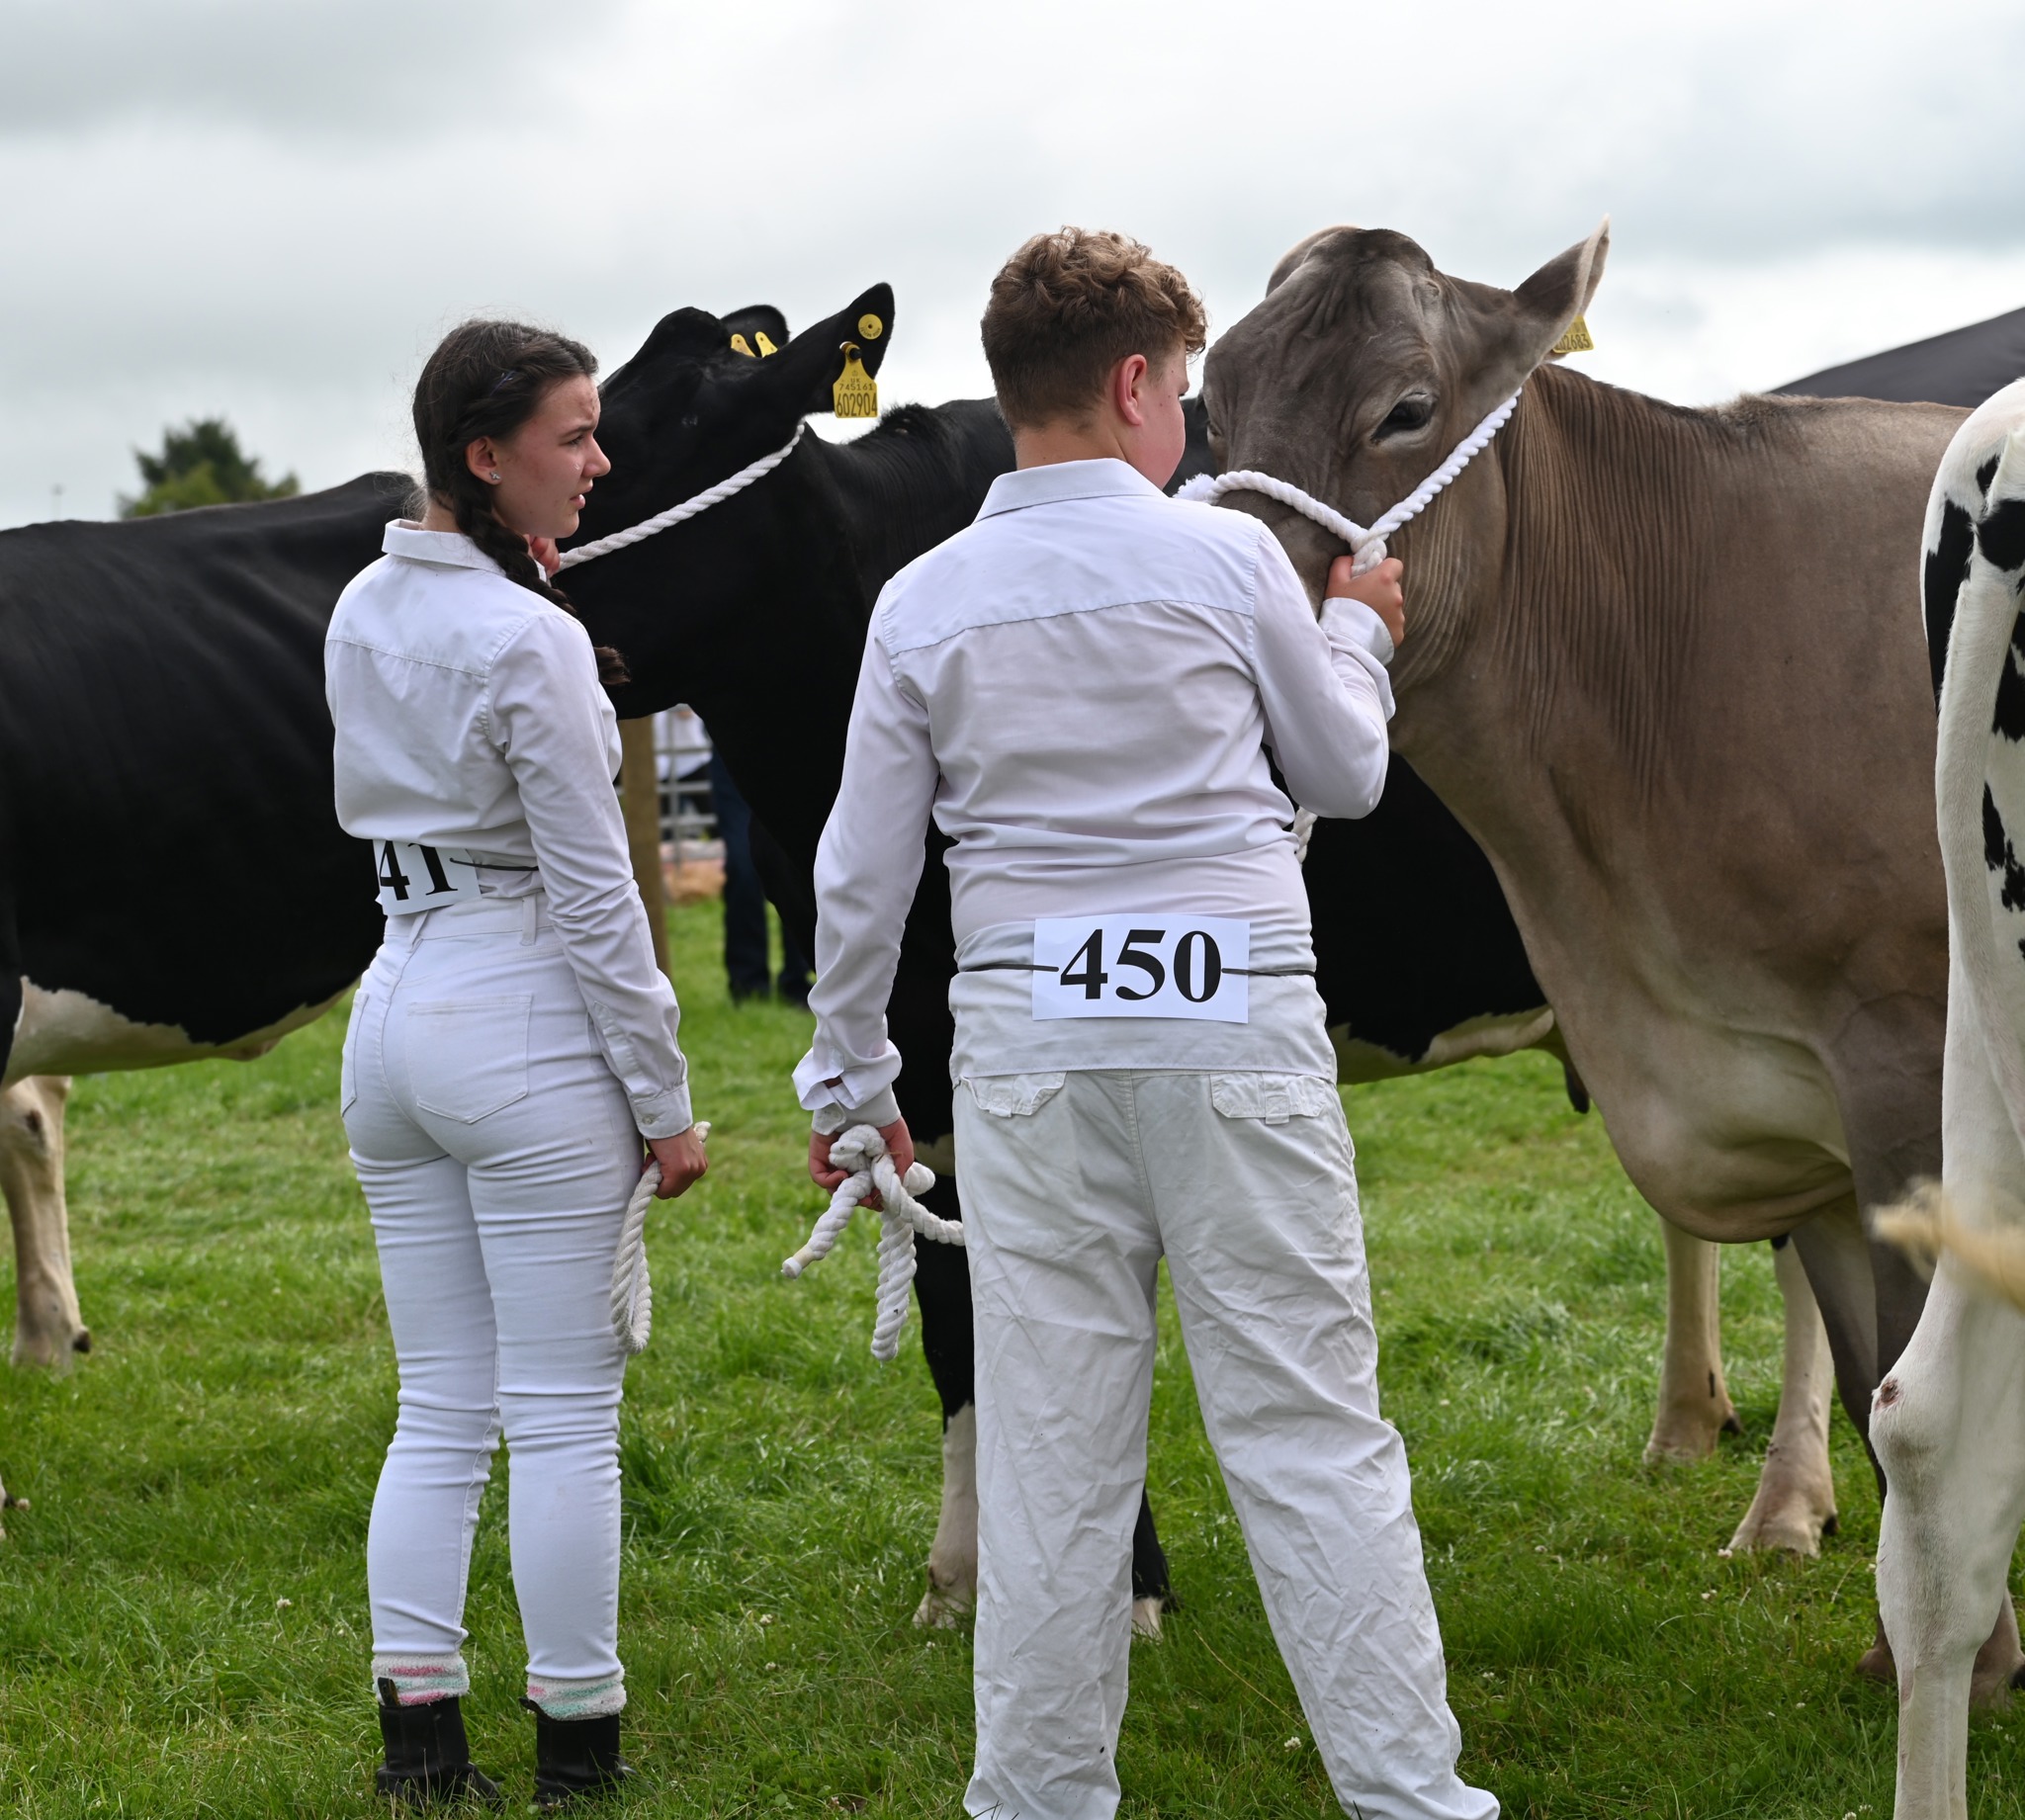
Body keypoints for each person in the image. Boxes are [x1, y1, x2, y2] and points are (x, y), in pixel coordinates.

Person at [793, 229, 1496, 1820]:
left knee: (1053, 1462)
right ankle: (1412, 1799)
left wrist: (853, 1080)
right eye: (1184, 386)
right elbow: (1343, 774)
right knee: (1310, 1434)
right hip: (1234, 1026)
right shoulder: (1231, 561)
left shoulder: (921, 601)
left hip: (1028, 1055)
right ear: (1133, 385)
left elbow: (860, 874)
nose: (1188, 418)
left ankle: (1036, 1799)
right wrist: (1359, 632)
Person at [326, 320, 709, 1808]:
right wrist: (667, 1102)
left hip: (394, 1009)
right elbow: (602, 897)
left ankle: (420, 1743)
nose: (601, 460)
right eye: (575, 435)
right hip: (521, 1013)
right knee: (559, 1416)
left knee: (438, 1405)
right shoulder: (528, 636)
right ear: (485, 458)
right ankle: (577, 1751)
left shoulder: (363, 601)